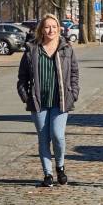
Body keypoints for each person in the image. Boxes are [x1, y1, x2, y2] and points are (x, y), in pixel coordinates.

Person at [17, 14, 80, 188]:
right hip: (39, 101)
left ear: (59, 28)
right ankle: (48, 174)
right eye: (47, 27)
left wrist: (73, 93)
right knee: (43, 139)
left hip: (60, 100)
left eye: (54, 26)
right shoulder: (32, 49)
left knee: (57, 136)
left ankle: (60, 166)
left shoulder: (66, 48)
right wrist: (26, 96)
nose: (51, 30)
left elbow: (74, 73)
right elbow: (22, 77)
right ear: (41, 30)